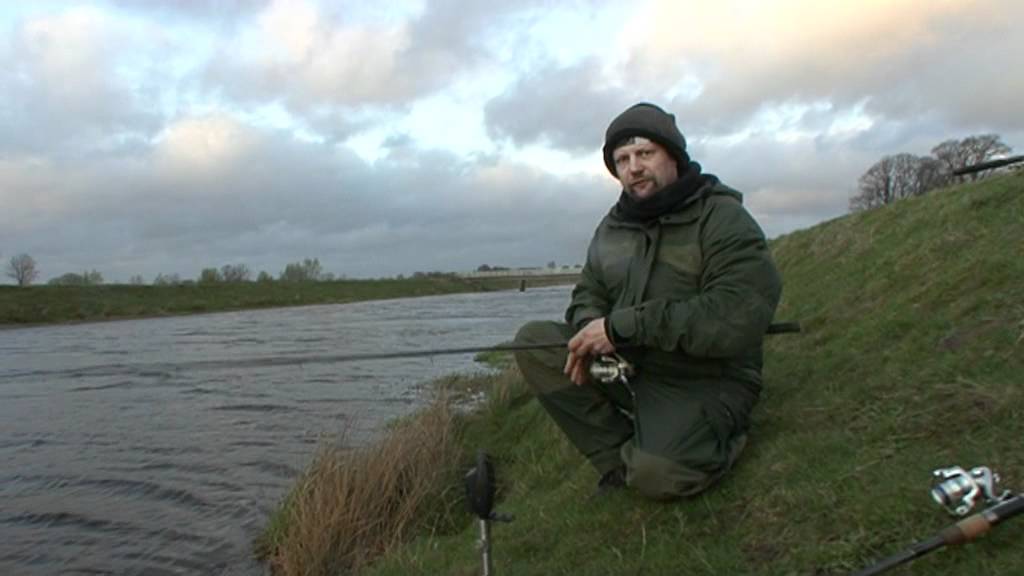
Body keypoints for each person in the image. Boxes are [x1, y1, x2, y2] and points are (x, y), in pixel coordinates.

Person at [514, 103, 782, 500]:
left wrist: (622, 328)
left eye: (645, 153)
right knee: (533, 343)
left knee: (660, 476)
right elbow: (588, 293)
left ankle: (710, 437)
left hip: (707, 376)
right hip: (633, 366)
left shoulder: (722, 217)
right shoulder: (612, 227)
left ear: (673, 156)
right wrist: (591, 330)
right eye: (622, 160)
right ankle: (618, 461)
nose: (634, 168)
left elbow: (735, 315)